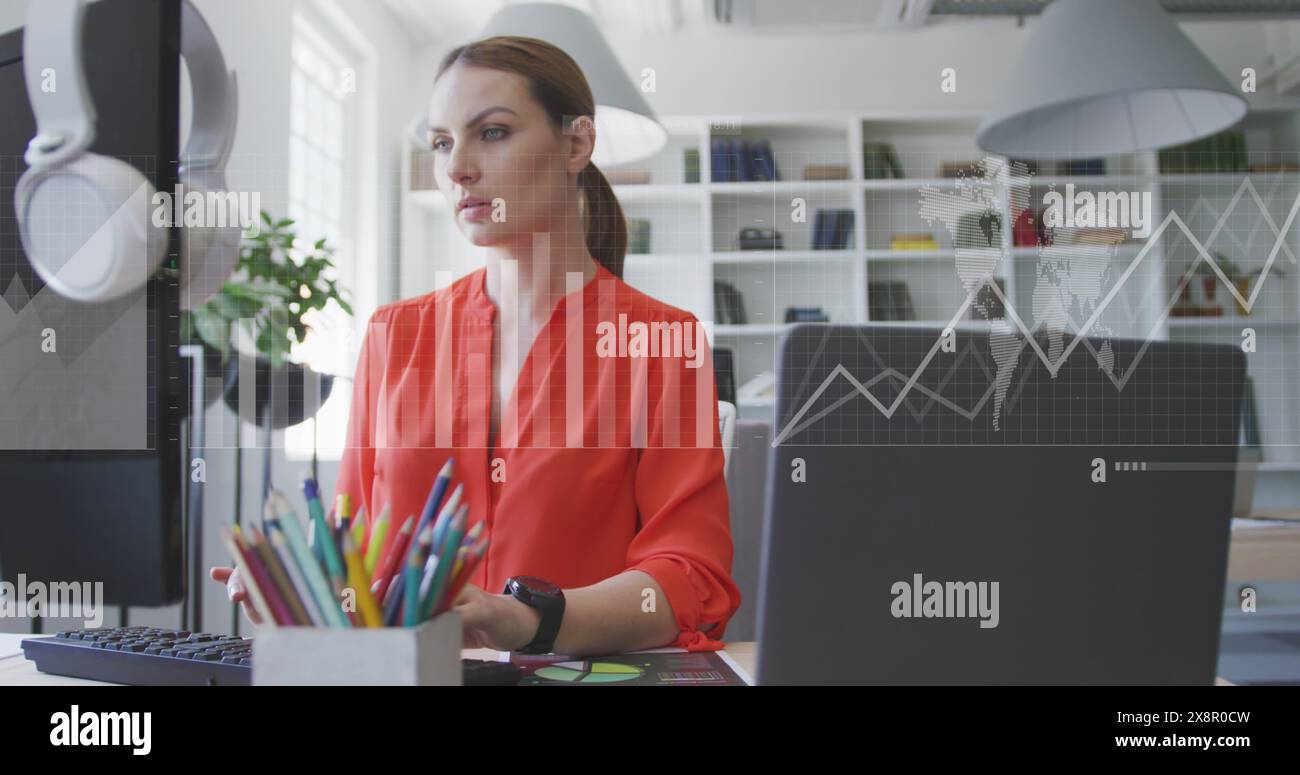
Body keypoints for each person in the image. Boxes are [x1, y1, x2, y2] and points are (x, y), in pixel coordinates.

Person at [211, 35, 740, 656]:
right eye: (441, 142)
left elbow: (691, 581)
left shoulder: (662, 343)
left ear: (576, 143)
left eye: (491, 132)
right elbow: (351, 549)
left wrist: (525, 618)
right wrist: (300, 587)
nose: (457, 165)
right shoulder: (393, 337)